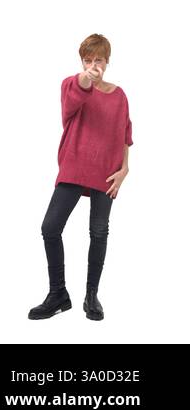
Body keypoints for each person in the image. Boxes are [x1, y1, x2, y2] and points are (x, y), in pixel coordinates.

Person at [29, 34, 132, 322]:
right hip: (75, 166)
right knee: (50, 227)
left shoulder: (120, 95)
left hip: (107, 172)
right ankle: (58, 293)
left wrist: (125, 169)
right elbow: (78, 93)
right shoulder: (72, 84)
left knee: (99, 232)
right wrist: (86, 76)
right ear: (82, 62)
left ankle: (91, 295)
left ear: (107, 61)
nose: (94, 64)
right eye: (88, 59)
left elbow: (125, 134)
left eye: (99, 59)